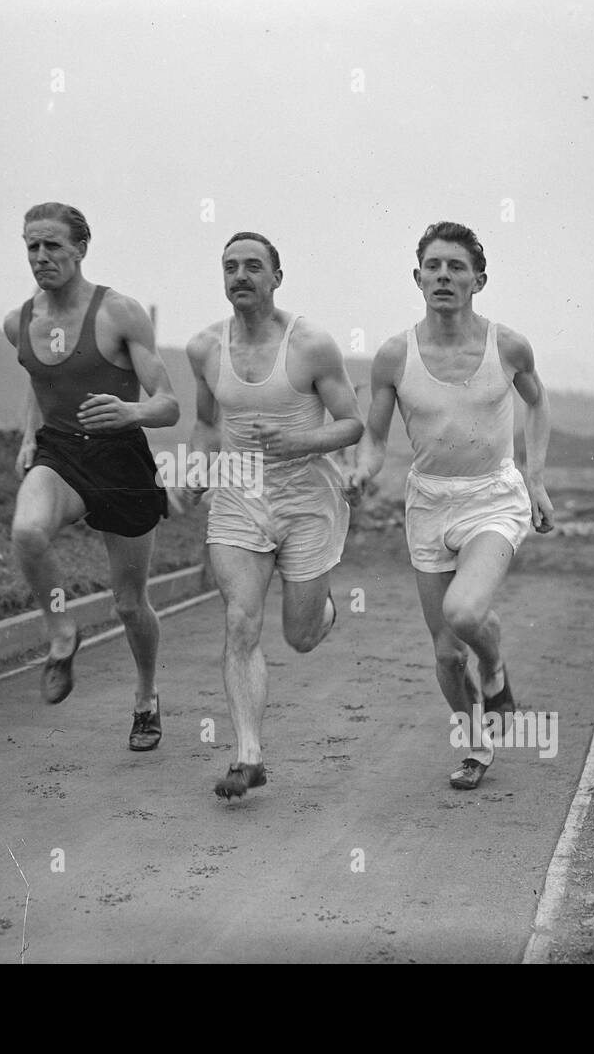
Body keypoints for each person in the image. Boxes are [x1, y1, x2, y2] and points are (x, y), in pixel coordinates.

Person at [347, 221, 553, 791]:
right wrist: (364, 470)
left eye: (456, 266)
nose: (443, 275)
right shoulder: (394, 355)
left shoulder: (507, 346)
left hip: (492, 498)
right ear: (417, 278)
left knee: (465, 614)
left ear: (478, 280)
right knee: (444, 654)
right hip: (430, 504)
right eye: (433, 266)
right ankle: (474, 743)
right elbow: (375, 436)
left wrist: (535, 480)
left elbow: (539, 405)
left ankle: (494, 666)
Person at [172, 232, 362, 799]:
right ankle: (247, 755)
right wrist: (194, 470)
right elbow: (207, 424)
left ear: (277, 277)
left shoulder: (311, 345)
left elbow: (352, 424)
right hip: (238, 499)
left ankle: (320, 610)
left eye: (253, 266)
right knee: (240, 621)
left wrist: (301, 440)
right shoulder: (205, 347)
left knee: (298, 637)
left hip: (307, 502)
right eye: (230, 267)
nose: (240, 276)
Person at [4, 202, 179, 751]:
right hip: (60, 453)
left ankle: (147, 698)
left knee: (129, 603)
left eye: (52, 245)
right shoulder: (19, 323)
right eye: (32, 246)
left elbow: (168, 404)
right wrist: (30, 435)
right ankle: (62, 631)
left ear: (80, 249)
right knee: (27, 532)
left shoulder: (119, 313)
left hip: (121, 458)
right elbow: (40, 383)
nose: (41, 256)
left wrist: (132, 412)